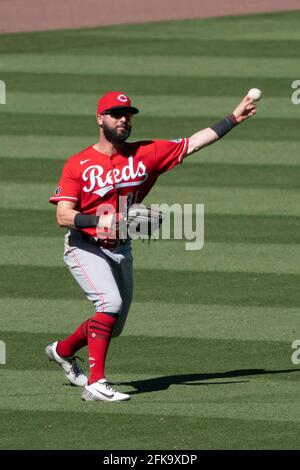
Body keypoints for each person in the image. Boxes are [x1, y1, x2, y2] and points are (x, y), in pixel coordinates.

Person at [45, 91, 256, 402]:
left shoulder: (146, 153)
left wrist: (233, 119)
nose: (123, 119)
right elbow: (63, 215)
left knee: (112, 326)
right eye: (116, 113)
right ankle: (96, 383)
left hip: (121, 249)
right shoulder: (78, 164)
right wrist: (99, 221)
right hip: (84, 246)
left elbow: (193, 143)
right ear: (100, 119)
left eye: (128, 114)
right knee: (109, 305)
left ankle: (62, 351)